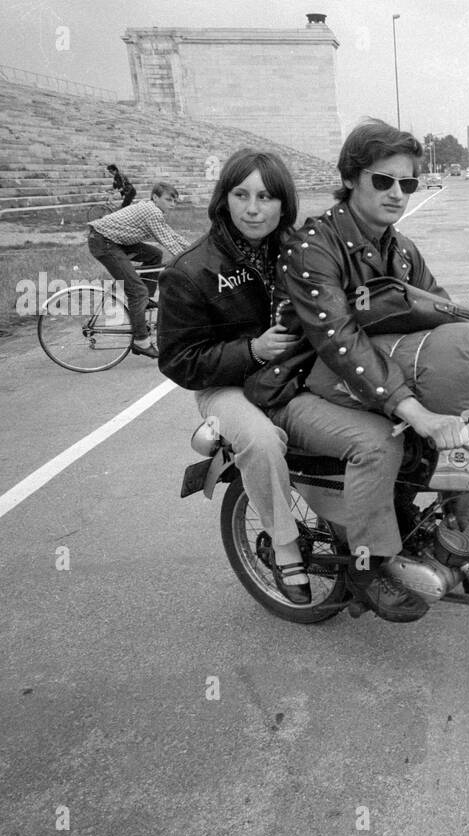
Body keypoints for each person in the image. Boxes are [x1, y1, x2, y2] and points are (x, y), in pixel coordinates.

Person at [248, 118, 469, 623]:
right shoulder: (312, 244)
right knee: (381, 441)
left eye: (408, 183)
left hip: (365, 386)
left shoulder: (402, 250)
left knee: (463, 432)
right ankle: (367, 565)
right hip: (299, 388)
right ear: (353, 176)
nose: (397, 193)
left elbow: (441, 315)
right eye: (384, 180)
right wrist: (412, 409)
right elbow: (339, 340)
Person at [157, 149, 313, 603]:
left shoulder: (300, 252)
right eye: (240, 194)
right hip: (223, 387)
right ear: (223, 199)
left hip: (293, 375)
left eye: (265, 196)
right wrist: (251, 350)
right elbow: (178, 359)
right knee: (262, 442)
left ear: (284, 203)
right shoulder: (190, 270)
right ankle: (284, 550)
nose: (252, 208)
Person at [88, 181, 187, 358]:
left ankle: (144, 300)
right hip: (104, 243)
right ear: (155, 197)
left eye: (174, 201)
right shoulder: (152, 212)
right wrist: (189, 260)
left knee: (154, 255)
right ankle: (141, 341)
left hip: (112, 240)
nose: (172, 205)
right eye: (168, 200)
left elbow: (171, 234)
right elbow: (169, 241)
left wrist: (193, 249)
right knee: (137, 292)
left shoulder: (153, 210)